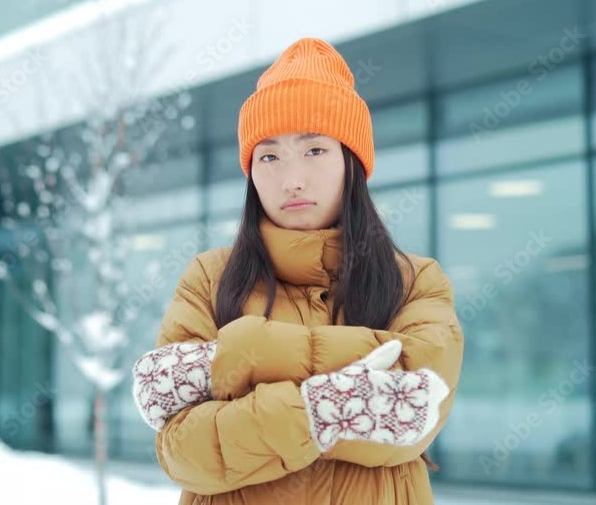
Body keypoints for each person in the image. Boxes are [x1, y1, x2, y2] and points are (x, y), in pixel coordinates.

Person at [131, 37, 464, 504]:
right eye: (269, 156)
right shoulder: (210, 279)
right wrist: (328, 408)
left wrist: (241, 354)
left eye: (314, 150)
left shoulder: (414, 282)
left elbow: (414, 411)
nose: (292, 179)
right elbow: (185, 452)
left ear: (352, 161)